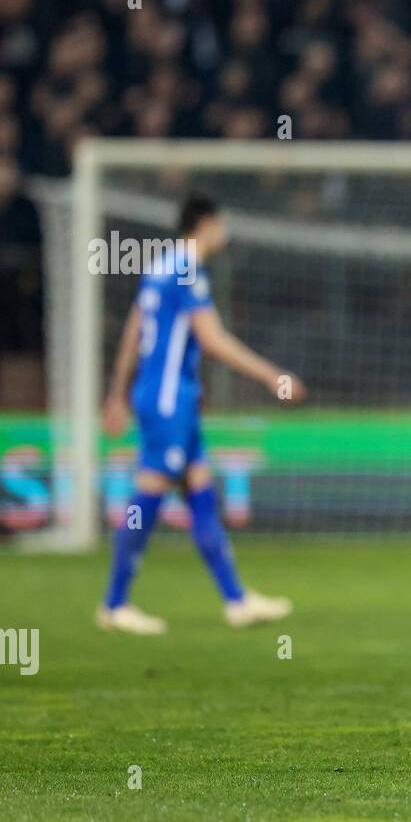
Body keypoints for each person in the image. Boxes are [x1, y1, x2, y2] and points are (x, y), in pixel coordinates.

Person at [97, 194, 305, 634]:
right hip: (169, 400)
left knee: (200, 492)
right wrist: (273, 376)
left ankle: (236, 600)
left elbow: (134, 331)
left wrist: (117, 394)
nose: (225, 234)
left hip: (170, 398)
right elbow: (212, 340)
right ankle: (114, 603)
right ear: (207, 224)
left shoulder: (159, 267)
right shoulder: (189, 269)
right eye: (222, 224)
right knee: (148, 496)